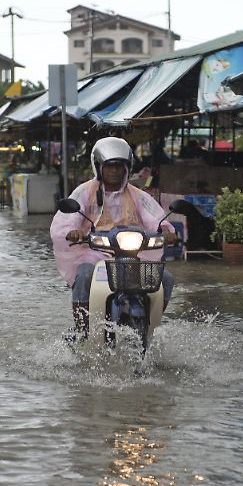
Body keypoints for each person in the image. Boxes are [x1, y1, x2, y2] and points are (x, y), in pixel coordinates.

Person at [49, 137, 179, 339]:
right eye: (109, 166)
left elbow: (156, 218)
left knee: (166, 279)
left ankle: (152, 327)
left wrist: (167, 230)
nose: (114, 171)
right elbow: (66, 220)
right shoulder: (84, 192)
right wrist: (72, 231)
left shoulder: (138, 195)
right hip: (93, 251)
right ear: (99, 167)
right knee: (84, 275)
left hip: (133, 252)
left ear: (126, 168)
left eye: (119, 166)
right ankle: (82, 328)